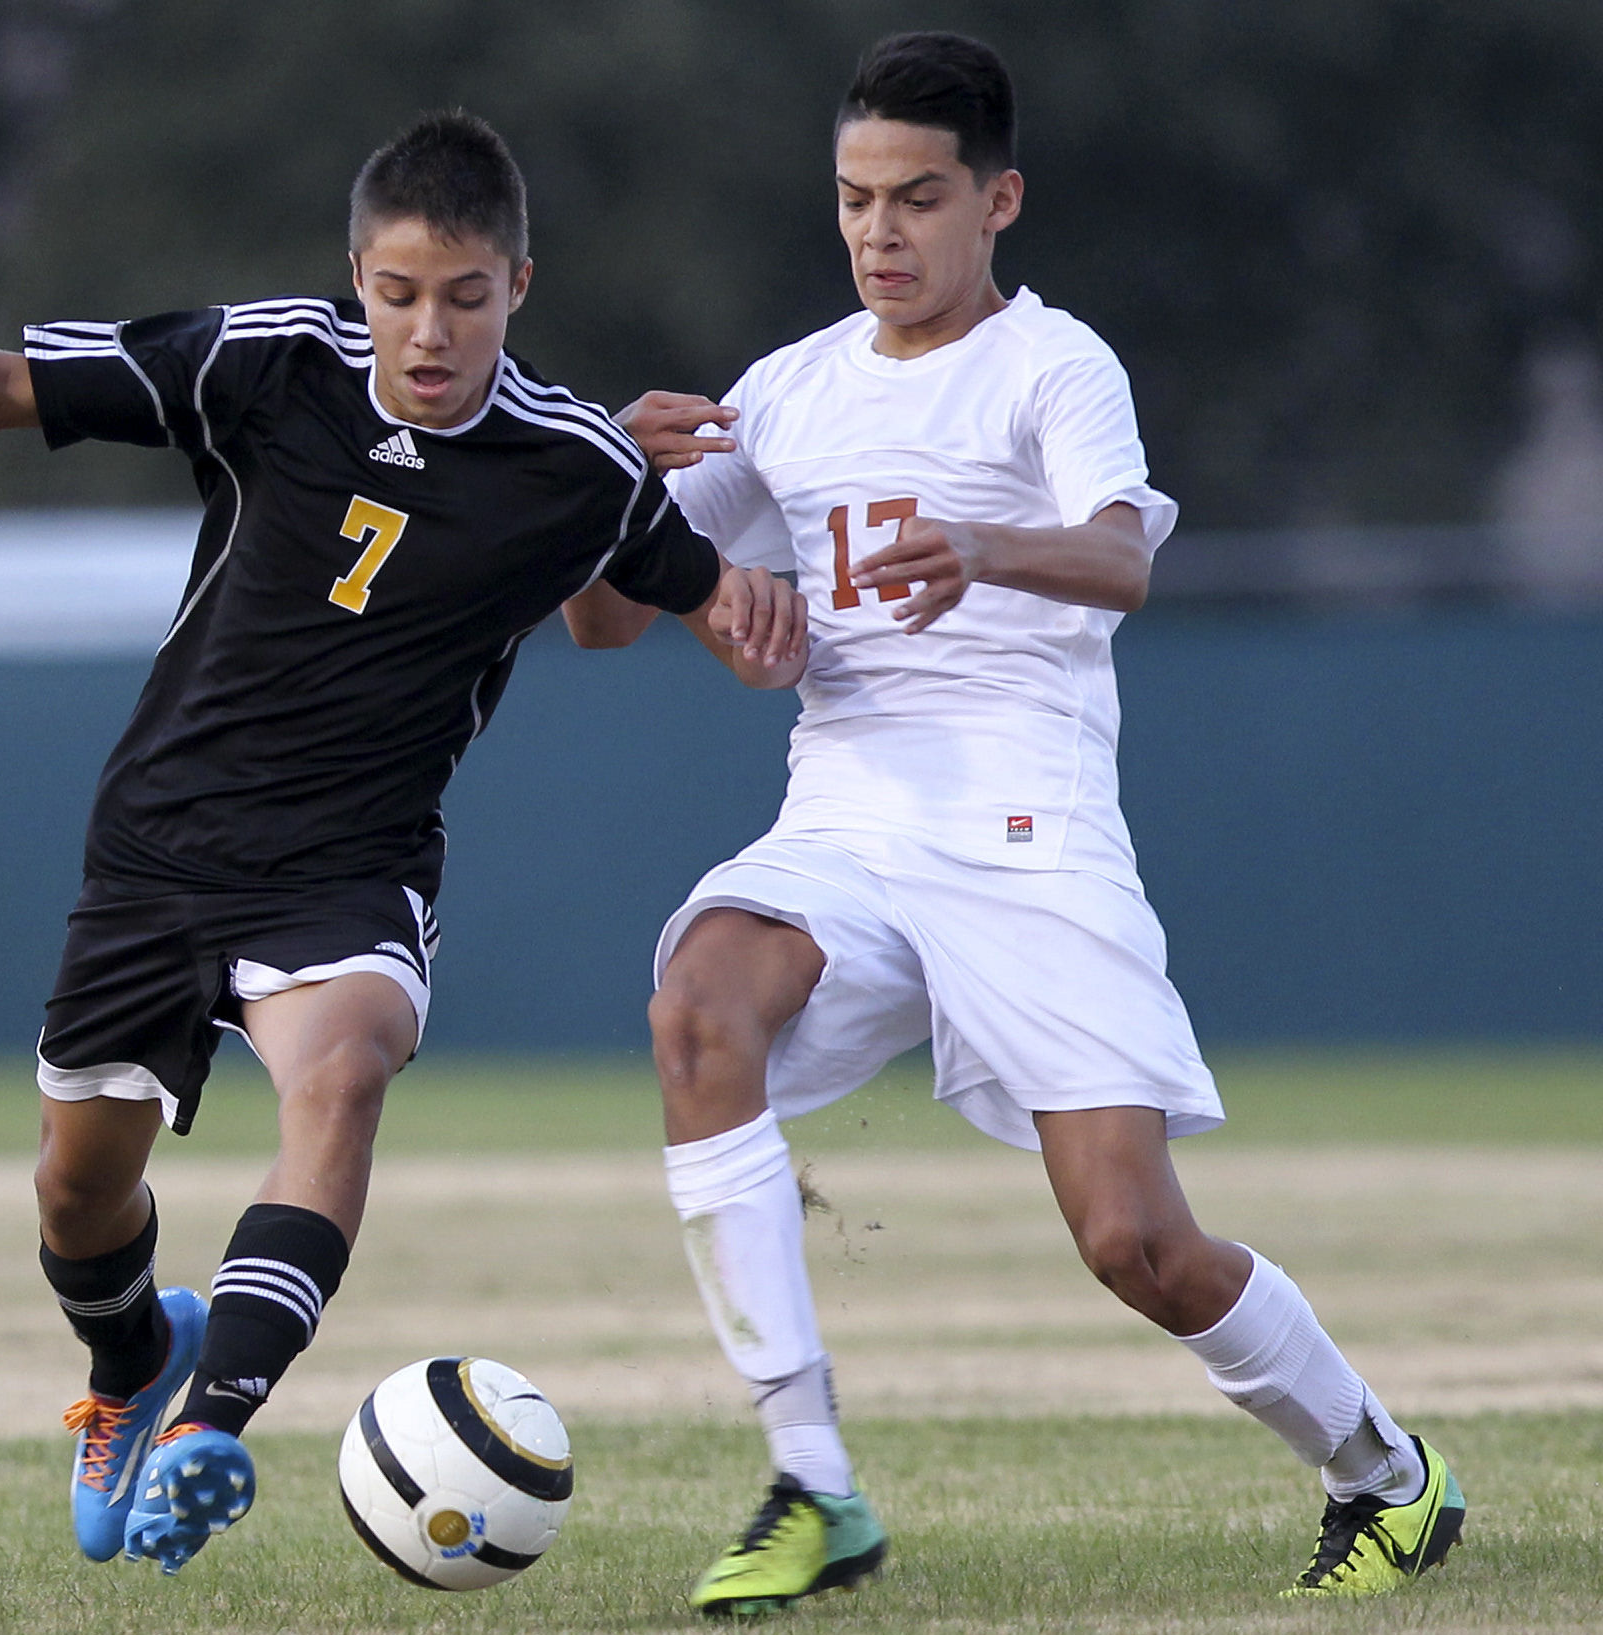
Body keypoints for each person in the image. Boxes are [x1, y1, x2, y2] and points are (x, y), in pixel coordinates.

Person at [0, 110, 803, 1577]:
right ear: (357, 279)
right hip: (160, 846)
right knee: (77, 1193)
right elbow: (5, 391)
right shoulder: (266, 360)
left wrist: (744, 615)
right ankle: (134, 1361)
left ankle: (212, 1425)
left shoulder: (572, 462)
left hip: (353, 865)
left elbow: (652, 597)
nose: (428, 329)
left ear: (519, 286)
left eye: (464, 296)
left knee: (336, 1085)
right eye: (399, 293)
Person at [565, 31, 1464, 1614]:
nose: (878, 234)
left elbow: (1123, 562)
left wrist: (979, 545)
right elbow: (605, 626)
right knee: (697, 1009)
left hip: (1029, 836)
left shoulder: (1058, 365)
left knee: (1135, 1246)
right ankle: (813, 1484)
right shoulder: (787, 390)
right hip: (844, 827)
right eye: (853, 201)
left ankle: (1386, 1474)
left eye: (917, 198)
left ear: (1000, 201)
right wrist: (607, 501)